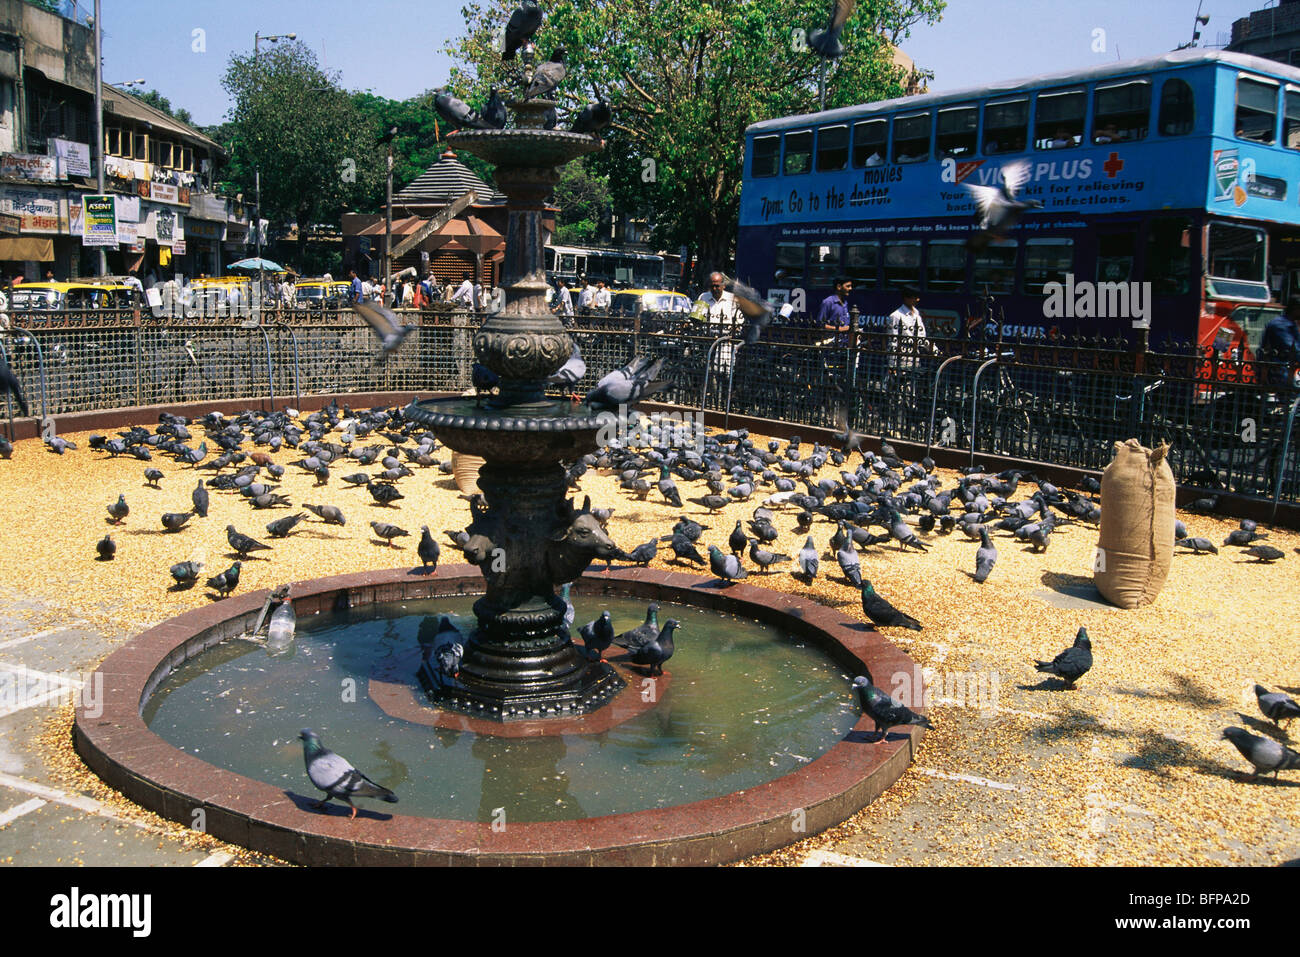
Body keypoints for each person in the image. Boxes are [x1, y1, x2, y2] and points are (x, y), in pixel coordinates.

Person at [887, 286, 935, 374]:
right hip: (901, 358)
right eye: (915, 297)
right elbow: (893, 342)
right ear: (906, 298)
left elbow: (922, 338)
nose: (918, 300)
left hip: (915, 357)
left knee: (911, 384)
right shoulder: (896, 316)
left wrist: (935, 351)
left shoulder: (917, 315)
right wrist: (892, 364)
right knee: (898, 384)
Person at [1260, 301, 1300, 393]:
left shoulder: (1290, 324)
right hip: (1277, 371)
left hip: (1287, 369)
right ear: (1295, 309)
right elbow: (1293, 348)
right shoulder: (1280, 325)